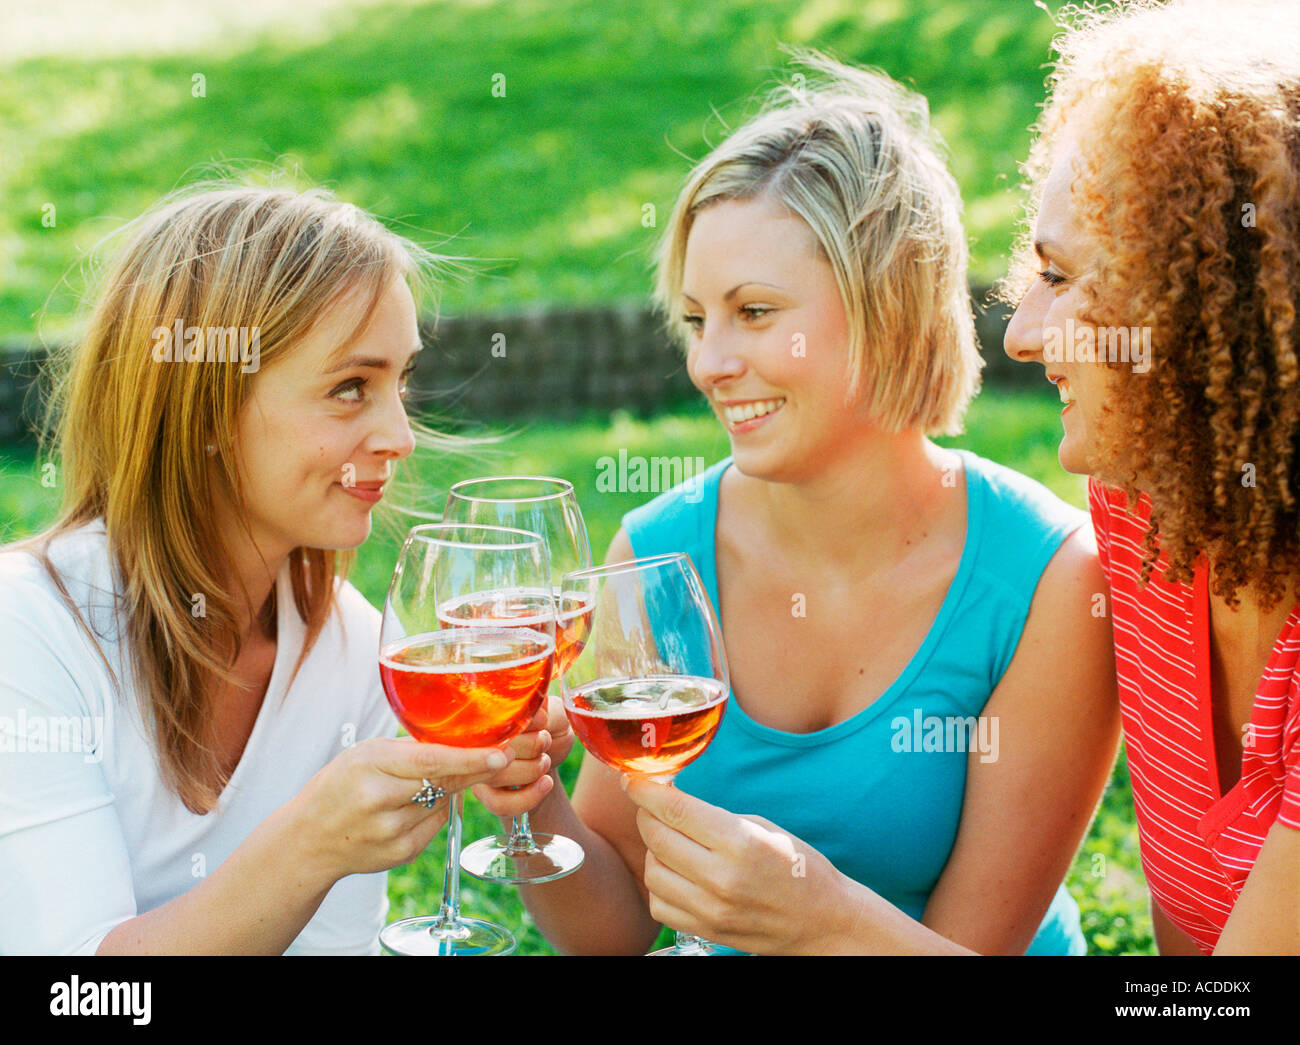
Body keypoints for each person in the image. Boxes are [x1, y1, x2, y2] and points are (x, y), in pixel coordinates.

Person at [477, 56, 1120, 954]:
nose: (709, 363)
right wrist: (530, 801)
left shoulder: (1051, 580)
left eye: (756, 311)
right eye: (699, 319)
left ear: (886, 307)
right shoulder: (658, 556)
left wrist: (817, 919)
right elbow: (615, 930)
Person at [0, 183, 532, 955]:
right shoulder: (29, 631)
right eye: (350, 388)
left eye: (400, 383)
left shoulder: (358, 651)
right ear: (206, 411)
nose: (399, 435)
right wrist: (313, 841)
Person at [1002, 0, 1300, 955]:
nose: (1019, 334)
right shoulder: (1149, 513)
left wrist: (826, 923)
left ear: (1216, 315)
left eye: (1061, 278)